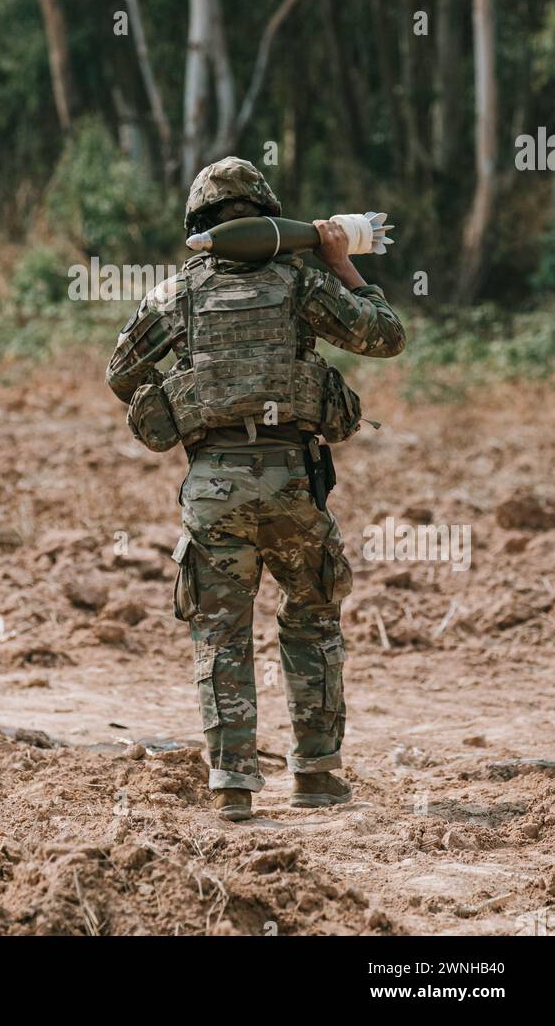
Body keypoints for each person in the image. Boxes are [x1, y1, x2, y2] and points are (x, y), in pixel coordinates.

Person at [106, 157, 406, 821]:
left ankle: (233, 784)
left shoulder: (175, 293)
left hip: (212, 487)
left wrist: (178, 396)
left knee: (220, 634)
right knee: (312, 619)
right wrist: (342, 264)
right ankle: (319, 776)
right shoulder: (300, 281)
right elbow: (385, 336)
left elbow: (120, 370)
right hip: (293, 481)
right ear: (270, 218)